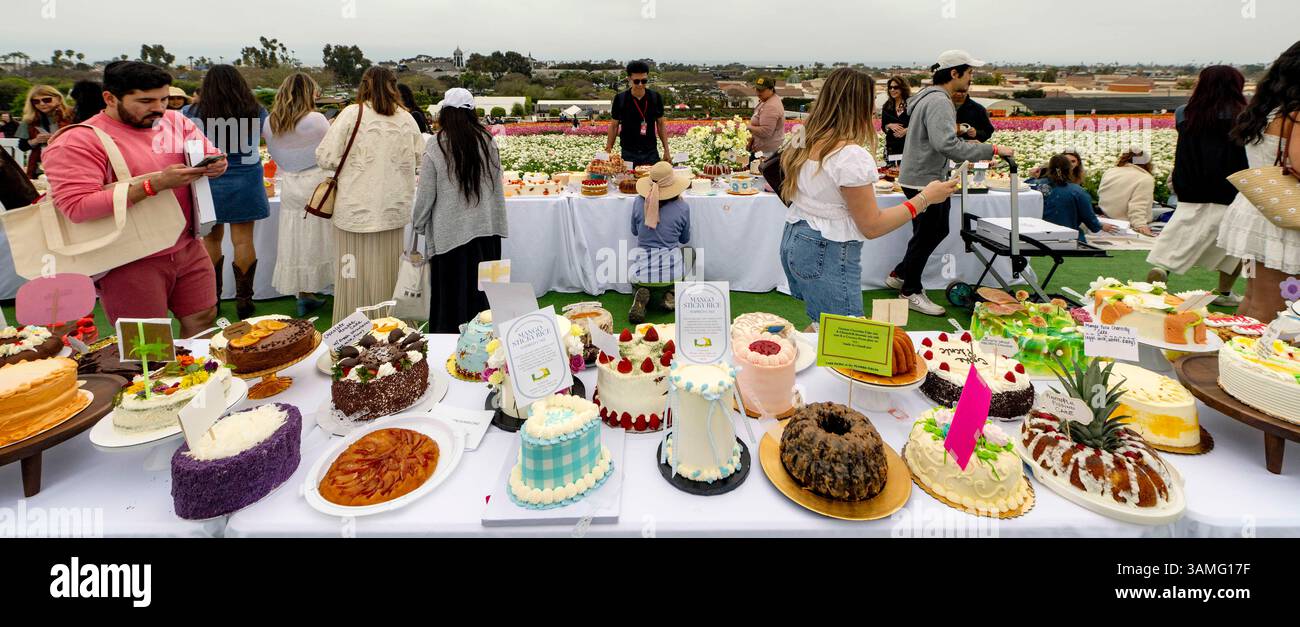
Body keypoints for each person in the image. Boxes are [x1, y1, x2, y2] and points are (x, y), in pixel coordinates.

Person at [42, 61, 227, 338]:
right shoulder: (78, 140)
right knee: (148, 344)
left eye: (164, 99)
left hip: (188, 245)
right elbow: (77, 207)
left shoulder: (175, 121)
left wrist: (215, 163)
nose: (159, 108)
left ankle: (207, 380)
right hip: (128, 258)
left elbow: (207, 151)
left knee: (203, 319)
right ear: (110, 98)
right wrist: (154, 185)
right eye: (145, 100)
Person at [780, 68, 958, 327]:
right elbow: (872, 225)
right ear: (859, 105)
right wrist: (926, 198)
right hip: (825, 250)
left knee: (822, 323)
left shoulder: (804, 139)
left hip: (796, 239)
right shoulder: (849, 155)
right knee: (846, 333)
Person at [886, 51, 1008, 315]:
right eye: (969, 73)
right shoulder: (940, 101)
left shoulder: (929, 97)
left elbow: (940, 140)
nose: (971, 78)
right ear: (954, 73)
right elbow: (947, 145)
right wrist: (993, 150)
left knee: (931, 231)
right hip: (925, 179)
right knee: (930, 232)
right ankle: (910, 290)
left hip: (919, 176)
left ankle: (901, 273)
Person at [317, 65, 424, 324]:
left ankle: (351, 330)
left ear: (364, 85)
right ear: (393, 86)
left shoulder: (351, 114)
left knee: (351, 274)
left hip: (353, 210)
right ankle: (390, 330)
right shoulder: (406, 118)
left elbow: (325, 156)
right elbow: (420, 157)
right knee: (388, 273)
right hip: (391, 211)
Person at [1146, 65, 1249, 306]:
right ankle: (1224, 292)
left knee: (1181, 232)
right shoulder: (1245, 116)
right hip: (1232, 188)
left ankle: (1162, 271)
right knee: (1233, 245)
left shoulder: (1185, 113)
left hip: (1192, 186)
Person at [412, 88, 508, 333]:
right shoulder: (487, 141)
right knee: (485, 299)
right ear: (471, 112)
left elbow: (425, 194)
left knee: (451, 302)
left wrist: (419, 223)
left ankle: (450, 353)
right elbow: (497, 186)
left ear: (444, 112)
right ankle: (487, 349)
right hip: (486, 234)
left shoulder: (437, 145)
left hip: (450, 236)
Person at [1218, 40, 1300, 323]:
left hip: (1257, 213)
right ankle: (1250, 364)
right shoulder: (1297, 116)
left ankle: (1233, 360)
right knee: (1276, 309)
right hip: (1285, 222)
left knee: (1253, 299)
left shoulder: (1268, 112)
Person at [187, 64, 270, 319]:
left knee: (211, 240)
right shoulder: (255, 110)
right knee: (243, 240)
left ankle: (213, 299)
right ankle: (245, 300)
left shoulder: (192, 112)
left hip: (207, 179)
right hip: (246, 178)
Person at [264, 72, 335, 317]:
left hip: (290, 183)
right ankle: (332, 285)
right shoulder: (316, 120)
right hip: (315, 182)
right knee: (323, 237)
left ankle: (303, 295)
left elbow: (275, 154)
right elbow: (330, 150)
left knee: (295, 239)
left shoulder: (272, 120)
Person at [628, 161, 692, 323]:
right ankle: (671, 294)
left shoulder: (637, 202)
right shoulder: (683, 207)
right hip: (672, 271)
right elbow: (685, 239)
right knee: (683, 261)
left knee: (635, 269)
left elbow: (634, 232)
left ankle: (641, 292)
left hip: (642, 271)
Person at [605, 60, 670, 167]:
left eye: (644, 81)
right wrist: (608, 150)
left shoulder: (655, 97)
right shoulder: (620, 99)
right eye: (636, 81)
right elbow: (614, 125)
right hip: (628, 152)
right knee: (629, 183)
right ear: (629, 79)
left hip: (650, 152)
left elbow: (661, 124)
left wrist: (666, 150)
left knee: (652, 182)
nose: (640, 84)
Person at [1040, 154, 1118, 242]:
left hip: (1036, 238)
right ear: (1070, 169)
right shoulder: (1077, 191)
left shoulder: (1034, 185)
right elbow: (1088, 216)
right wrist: (1100, 226)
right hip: (1068, 238)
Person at [1097, 147, 1157, 237]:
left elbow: (1102, 195)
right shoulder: (1145, 178)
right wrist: (1141, 226)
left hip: (1105, 222)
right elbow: (1137, 206)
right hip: (1126, 227)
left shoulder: (1110, 172)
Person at [16, 85, 72, 178]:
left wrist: (58, 138)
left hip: (70, 164)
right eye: (36, 101)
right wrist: (36, 140)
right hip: (40, 168)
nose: (41, 104)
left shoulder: (72, 115)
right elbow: (22, 146)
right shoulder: (28, 120)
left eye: (47, 100)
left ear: (58, 99)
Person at [747, 76, 785, 158]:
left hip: (767, 154)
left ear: (771, 89)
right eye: (757, 89)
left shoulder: (771, 106)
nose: (758, 93)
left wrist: (748, 127)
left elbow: (766, 132)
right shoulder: (766, 99)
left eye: (761, 90)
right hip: (762, 150)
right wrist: (751, 141)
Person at [880, 75, 911, 161]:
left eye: (896, 87)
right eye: (890, 87)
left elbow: (920, 123)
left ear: (902, 88)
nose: (892, 90)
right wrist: (889, 125)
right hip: (892, 148)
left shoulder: (911, 104)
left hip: (909, 148)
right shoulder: (887, 106)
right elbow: (883, 127)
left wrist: (906, 130)